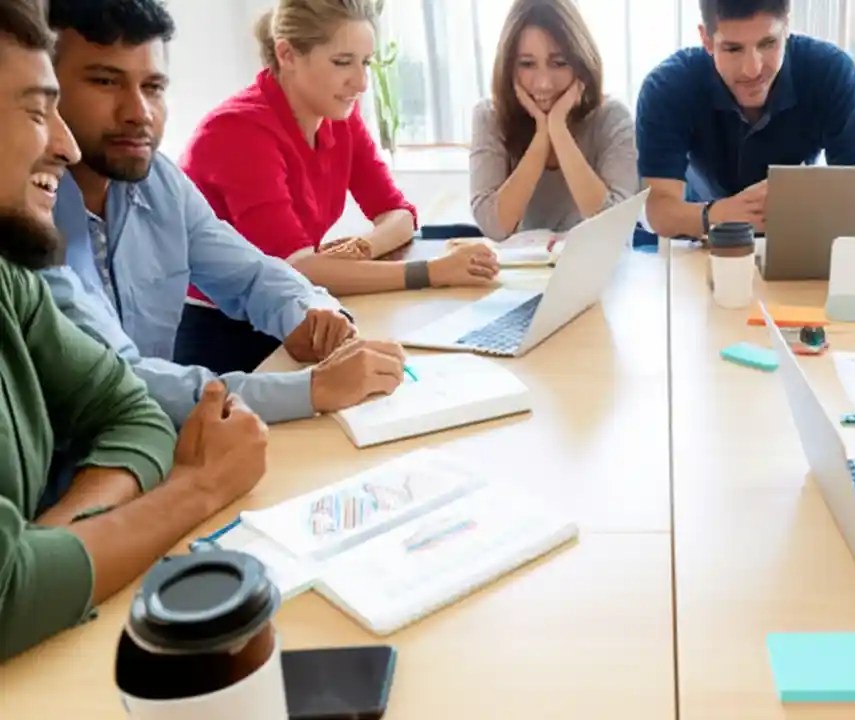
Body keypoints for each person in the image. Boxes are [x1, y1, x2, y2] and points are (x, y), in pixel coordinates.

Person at [0, 0, 270, 660]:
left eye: (152, 86)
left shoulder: (9, 276)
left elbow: (131, 410)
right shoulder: (39, 244)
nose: (62, 145)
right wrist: (197, 487)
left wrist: (50, 547)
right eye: (38, 111)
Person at [43, 0, 406, 425]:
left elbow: (251, 274)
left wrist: (312, 313)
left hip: (156, 435)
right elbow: (119, 382)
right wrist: (314, 389)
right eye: (106, 82)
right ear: (43, 89)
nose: (138, 112)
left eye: (154, 87)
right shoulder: (27, 215)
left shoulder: (158, 182)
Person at [178, 0, 499, 372]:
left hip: (298, 312)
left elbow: (399, 215)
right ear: (287, 54)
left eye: (365, 62)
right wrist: (432, 271)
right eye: (342, 62)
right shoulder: (238, 131)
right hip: (222, 334)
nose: (361, 83)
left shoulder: (339, 115)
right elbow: (296, 271)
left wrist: (362, 246)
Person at [636, 0, 855, 239]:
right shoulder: (668, 86)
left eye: (768, 43)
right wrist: (719, 215)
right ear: (706, 40)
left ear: (786, 28)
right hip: (703, 238)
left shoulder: (830, 72)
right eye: (733, 49)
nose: (752, 70)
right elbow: (657, 210)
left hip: (796, 236)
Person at [469, 0, 639, 241]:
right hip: (520, 272)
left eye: (559, 63)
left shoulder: (612, 118)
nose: (544, 83)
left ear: (581, 63)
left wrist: (559, 130)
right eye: (527, 64)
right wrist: (541, 138)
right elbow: (495, 226)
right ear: (508, 67)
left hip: (597, 270)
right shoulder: (490, 117)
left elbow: (613, 227)